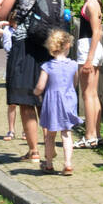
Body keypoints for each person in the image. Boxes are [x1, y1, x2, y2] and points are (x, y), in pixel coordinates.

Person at [0, 0, 62, 164]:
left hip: (24, 47)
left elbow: (3, 15)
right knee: (45, 101)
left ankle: (34, 152)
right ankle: (49, 150)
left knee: (25, 102)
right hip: (48, 47)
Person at [34, 29, 79, 174]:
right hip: (68, 101)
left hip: (52, 102)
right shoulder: (73, 65)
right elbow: (75, 82)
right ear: (67, 45)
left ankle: (48, 164)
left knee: (50, 135)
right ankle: (68, 164)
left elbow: (41, 86)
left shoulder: (47, 66)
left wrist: (35, 92)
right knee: (66, 133)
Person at [71, 0, 103, 147]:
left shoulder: (90, 4)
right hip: (92, 48)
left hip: (88, 47)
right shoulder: (93, 2)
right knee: (93, 93)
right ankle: (95, 134)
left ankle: (90, 135)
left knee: (87, 94)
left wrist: (89, 59)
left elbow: (97, 31)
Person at [0, 18, 18, 139]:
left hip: (23, 66)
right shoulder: (6, 31)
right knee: (12, 102)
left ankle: (25, 132)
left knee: (26, 103)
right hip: (11, 67)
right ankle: (11, 130)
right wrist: (6, 23)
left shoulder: (25, 31)